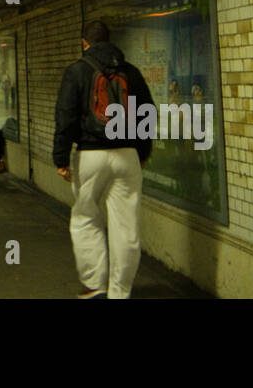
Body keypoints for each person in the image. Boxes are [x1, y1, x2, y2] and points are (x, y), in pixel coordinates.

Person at [53, 20, 153, 299]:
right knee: (126, 226)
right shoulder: (131, 72)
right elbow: (147, 113)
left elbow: (65, 116)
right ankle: (120, 292)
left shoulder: (77, 71)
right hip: (127, 154)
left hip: (90, 155)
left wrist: (60, 157)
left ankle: (95, 284)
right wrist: (142, 152)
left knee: (86, 218)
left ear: (85, 43)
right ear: (111, 41)